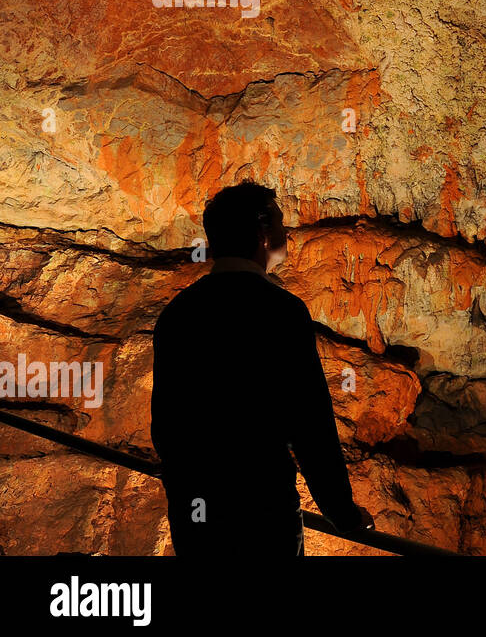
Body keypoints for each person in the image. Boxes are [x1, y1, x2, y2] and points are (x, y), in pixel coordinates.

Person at [151, 180, 373, 555]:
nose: (286, 230)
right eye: (279, 221)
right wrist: (343, 513)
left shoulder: (178, 313)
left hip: (196, 513)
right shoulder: (281, 312)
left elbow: (166, 424)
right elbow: (311, 427)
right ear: (262, 231)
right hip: (261, 513)